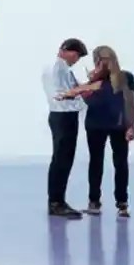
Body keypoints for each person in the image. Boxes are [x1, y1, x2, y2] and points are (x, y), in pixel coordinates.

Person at [60, 45, 134, 218]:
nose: (100, 64)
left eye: (101, 60)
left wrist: (131, 125)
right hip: (95, 125)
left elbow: (130, 103)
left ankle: (122, 202)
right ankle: (94, 201)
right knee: (96, 162)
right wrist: (88, 84)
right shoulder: (93, 81)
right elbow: (85, 99)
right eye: (98, 61)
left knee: (120, 163)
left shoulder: (125, 77)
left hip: (118, 126)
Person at [42, 38, 88, 218]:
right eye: (76, 55)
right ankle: (56, 202)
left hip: (61, 116)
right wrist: (85, 90)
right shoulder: (58, 68)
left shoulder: (61, 69)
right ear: (65, 50)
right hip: (63, 116)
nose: (76, 60)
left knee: (62, 159)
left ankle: (57, 200)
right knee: (62, 160)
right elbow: (63, 94)